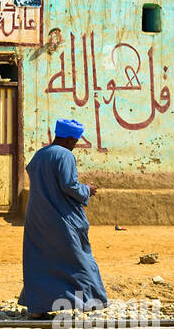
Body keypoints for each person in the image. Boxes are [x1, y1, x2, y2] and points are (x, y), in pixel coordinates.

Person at [19, 119, 108, 317]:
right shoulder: (65, 155)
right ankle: (92, 301)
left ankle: (38, 307)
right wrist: (87, 189)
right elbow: (69, 185)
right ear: (69, 139)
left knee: (41, 261)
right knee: (79, 258)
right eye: (75, 142)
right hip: (62, 218)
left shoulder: (40, 154)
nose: (75, 146)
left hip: (38, 218)